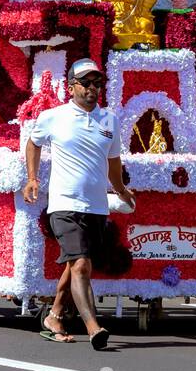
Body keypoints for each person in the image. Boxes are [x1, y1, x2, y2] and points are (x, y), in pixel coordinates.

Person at [23, 58, 136, 350]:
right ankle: (93, 326)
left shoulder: (109, 120)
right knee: (82, 264)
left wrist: (122, 191)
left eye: (97, 83)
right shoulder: (53, 116)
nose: (92, 88)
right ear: (71, 86)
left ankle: (55, 315)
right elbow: (34, 142)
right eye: (86, 82)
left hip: (96, 206)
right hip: (63, 204)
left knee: (76, 264)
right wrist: (33, 178)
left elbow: (113, 163)